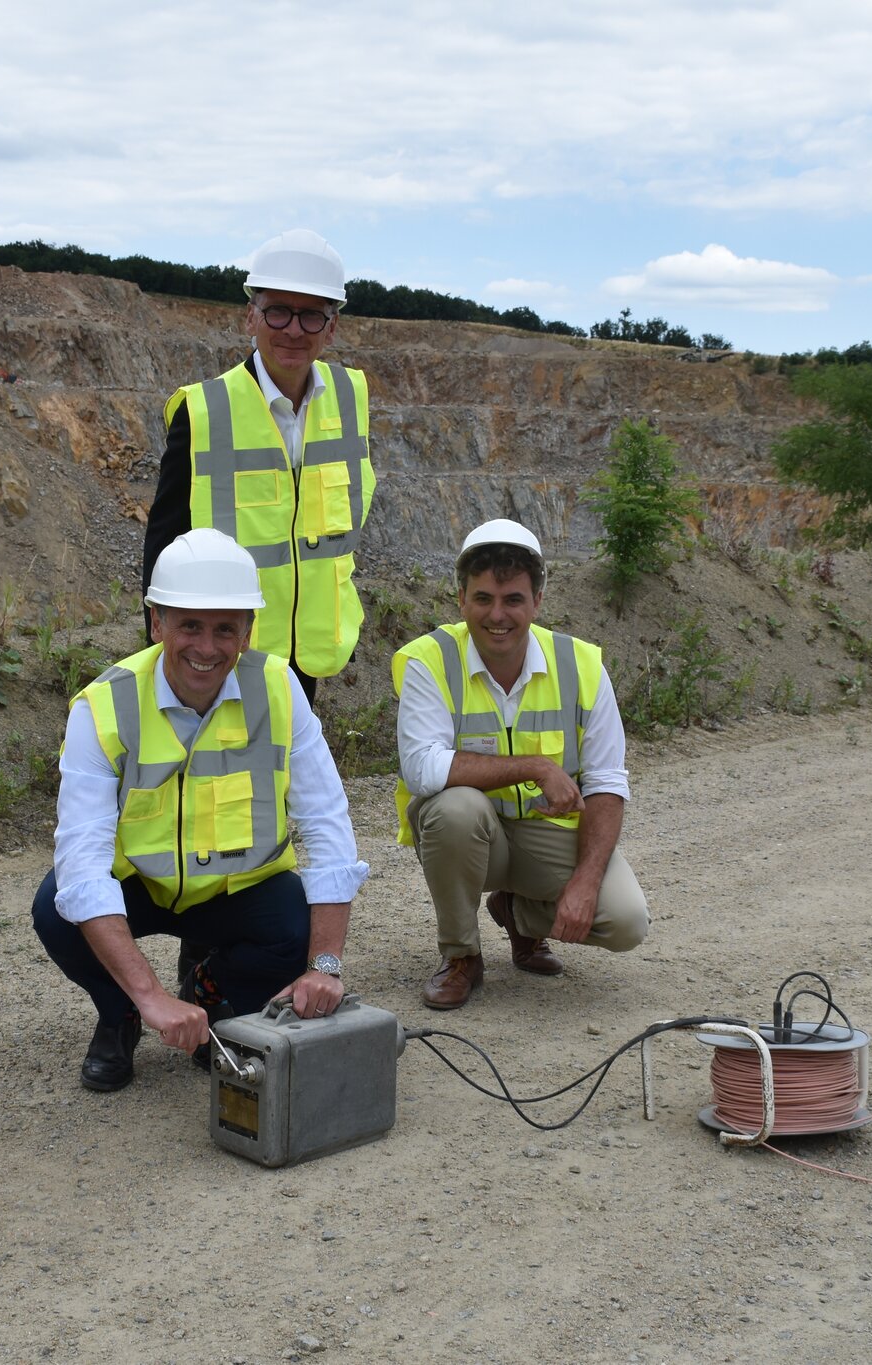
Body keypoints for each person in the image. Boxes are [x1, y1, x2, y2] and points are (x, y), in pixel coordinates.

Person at [33, 528, 367, 1091]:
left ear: (248, 631)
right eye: (189, 625)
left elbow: (327, 824)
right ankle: (123, 1012)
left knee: (296, 923)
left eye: (224, 629)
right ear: (157, 623)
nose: (207, 648)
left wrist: (324, 966)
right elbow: (83, 866)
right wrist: (150, 995)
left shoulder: (279, 689)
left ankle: (210, 992)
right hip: (140, 886)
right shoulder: (103, 706)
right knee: (56, 911)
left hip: (236, 891)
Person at [393, 519, 650, 1009]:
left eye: (513, 599)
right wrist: (536, 767)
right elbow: (422, 768)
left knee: (625, 921)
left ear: (537, 602)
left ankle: (517, 915)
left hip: (546, 835)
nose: (497, 615)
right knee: (455, 809)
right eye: (483, 598)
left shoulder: (581, 665)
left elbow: (606, 781)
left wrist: (585, 882)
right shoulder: (429, 660)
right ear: (461, 599)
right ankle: (461, 956)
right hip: (469, 836)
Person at [142, 227, 375, 705]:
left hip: (308, 649)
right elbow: (164, 536)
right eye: (278, 311)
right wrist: (158, 639)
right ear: (251, 315)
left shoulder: (350, 397)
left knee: (287, 750)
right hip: (220, 646)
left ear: (332, 327)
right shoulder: (204, 411)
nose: (294, 329)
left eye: (311, 315)